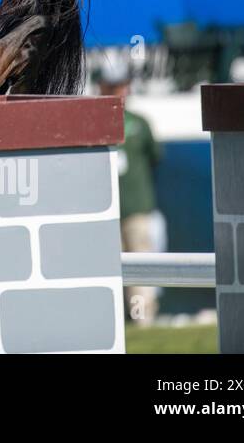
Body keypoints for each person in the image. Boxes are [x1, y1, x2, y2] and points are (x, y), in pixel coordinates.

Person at [100, 58, 164, 326]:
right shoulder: (95, 121)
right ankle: (117, 323)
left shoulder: (139, 123)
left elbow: (154, 158)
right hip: (107, 212)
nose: (120, 91)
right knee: (110, 270)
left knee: (141, 266)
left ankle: (143, 321)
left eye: (122, 85)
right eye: (114, 86)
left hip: (137, 209)